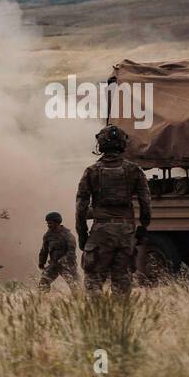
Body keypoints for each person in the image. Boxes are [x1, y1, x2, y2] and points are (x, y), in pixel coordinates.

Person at [75, 125, 151, 293]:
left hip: (100, 232)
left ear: (101, 144)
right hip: (126, 233)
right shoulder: (134, 171)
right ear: (123, 144)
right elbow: (146, 202)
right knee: (123, 283)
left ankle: (95, 318)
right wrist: (142, 228)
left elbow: (80, 209)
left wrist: (82, 236)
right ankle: (120, 317)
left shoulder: (91, 171)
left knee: (93, 283)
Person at [37, 212, 79, 290]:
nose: (48, 225)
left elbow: (71, 253)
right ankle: (43, 299)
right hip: (54, 264)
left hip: (68, 265)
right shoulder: (48, 235)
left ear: (57, 222)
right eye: (47, 223)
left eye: (50, 223)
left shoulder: (68, 235)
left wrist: (61, 261)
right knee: (43, 282)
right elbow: (44, 250)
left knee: (75, 286)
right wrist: (41, 262)